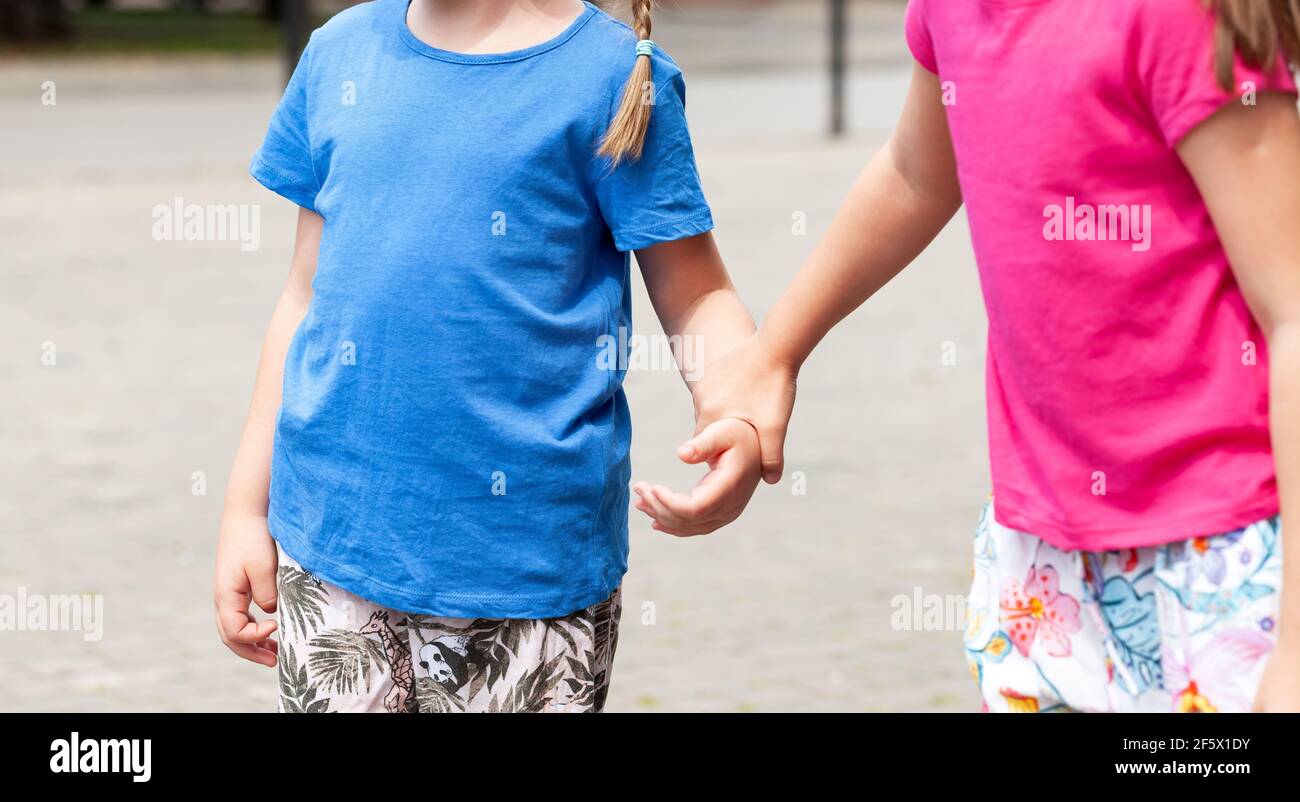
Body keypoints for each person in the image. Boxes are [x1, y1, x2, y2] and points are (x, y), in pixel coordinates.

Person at [667, 0, 1300, 712]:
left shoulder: (1177, 14)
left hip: (1225, 548)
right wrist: (774, 354)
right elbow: (915, 172)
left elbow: (1293, 312)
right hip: (1041, 557)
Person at [214, 0, 761, 713]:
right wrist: (243, 513)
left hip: (525, 572)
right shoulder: (339, 53)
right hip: (329, 550)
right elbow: (301, 298)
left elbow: (698, 295)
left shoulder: (614, 75)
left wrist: (740, 412)